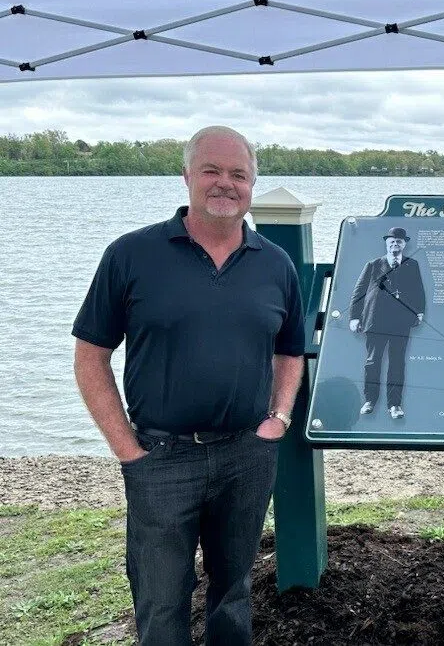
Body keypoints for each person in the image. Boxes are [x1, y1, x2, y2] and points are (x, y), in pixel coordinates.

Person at [72, 126, 306, 645]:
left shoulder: (275, 264)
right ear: (186, 177)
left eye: (239, 174)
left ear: (252, 184)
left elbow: (291, 351)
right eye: (211, 170)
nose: (226, 183)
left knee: (233, 594)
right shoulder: (131, 255)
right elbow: (90, 357)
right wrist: (127, 450)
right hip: (160, 458)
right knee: (160, 600)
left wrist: (278, 419)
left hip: (247, 454)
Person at [348, 227, 426, 419]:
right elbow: (359, 292)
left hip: (401, 322)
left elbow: (418, 290)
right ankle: (370, 400)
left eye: (399, 241)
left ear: (404, 244)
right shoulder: (373, 264)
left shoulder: (412, 265)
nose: (395, 244)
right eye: (391, 241)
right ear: (386, 243)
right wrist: (354, 317)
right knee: (372, 362)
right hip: (375, 320)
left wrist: (419, 312)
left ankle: (395, 405)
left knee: (397, 363)